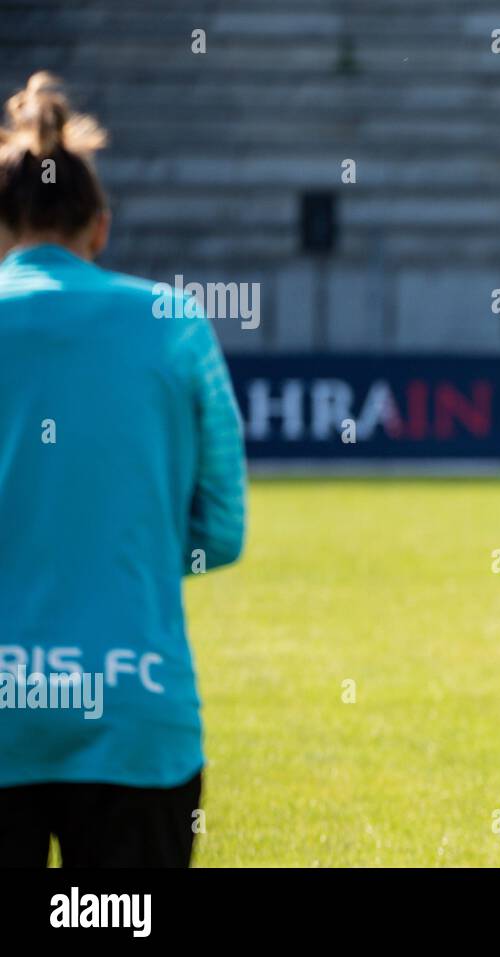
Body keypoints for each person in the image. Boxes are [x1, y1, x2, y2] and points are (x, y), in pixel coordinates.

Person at [0, 72, 246, 867]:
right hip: (136, 710)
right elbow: (223, 530)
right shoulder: (174, 325)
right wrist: (118, 548)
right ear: (99, 228)